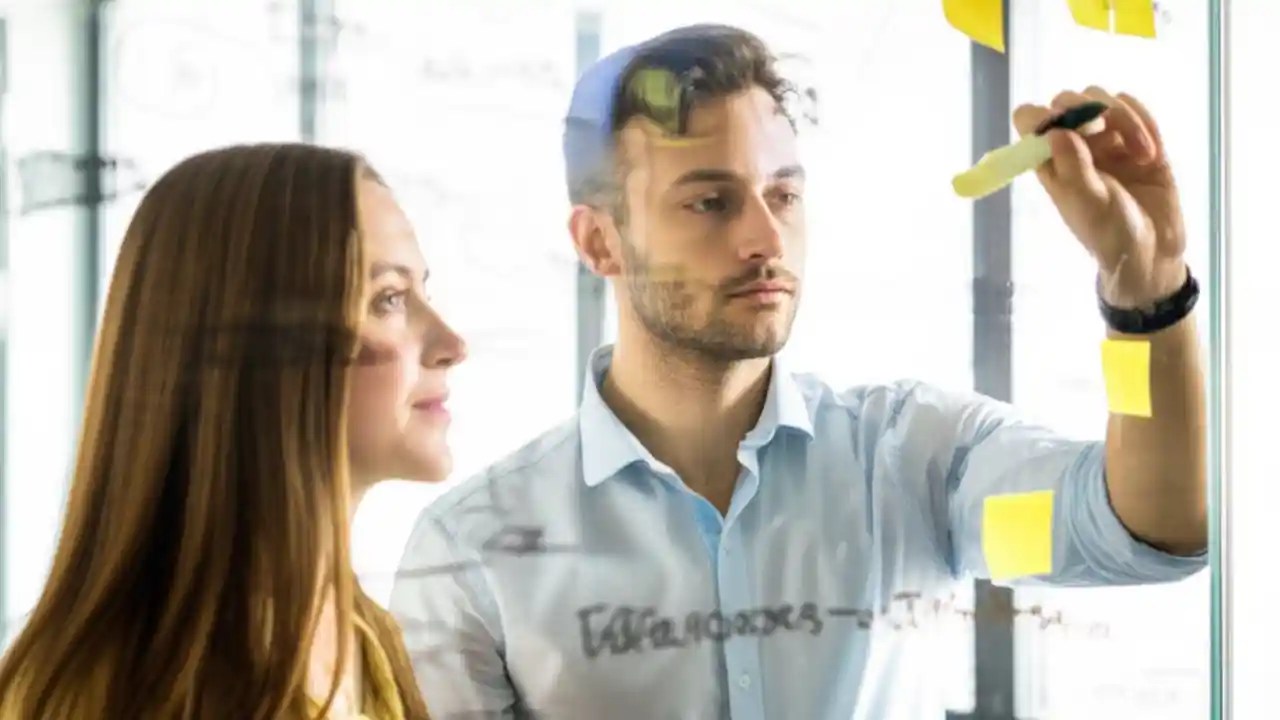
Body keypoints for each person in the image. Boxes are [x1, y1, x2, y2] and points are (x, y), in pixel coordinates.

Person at [390, 24, 1207, 720]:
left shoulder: (916, 467)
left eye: (782, 196)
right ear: (599, 242)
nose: (765, 241)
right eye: (711, 202)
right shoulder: (475, 553)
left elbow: (1147, 527)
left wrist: (1148, 287)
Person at [0, 144, 465, 719]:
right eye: (388, 299)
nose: (451, 344)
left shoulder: (372, 643)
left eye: (422, 291)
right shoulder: (123, 694)